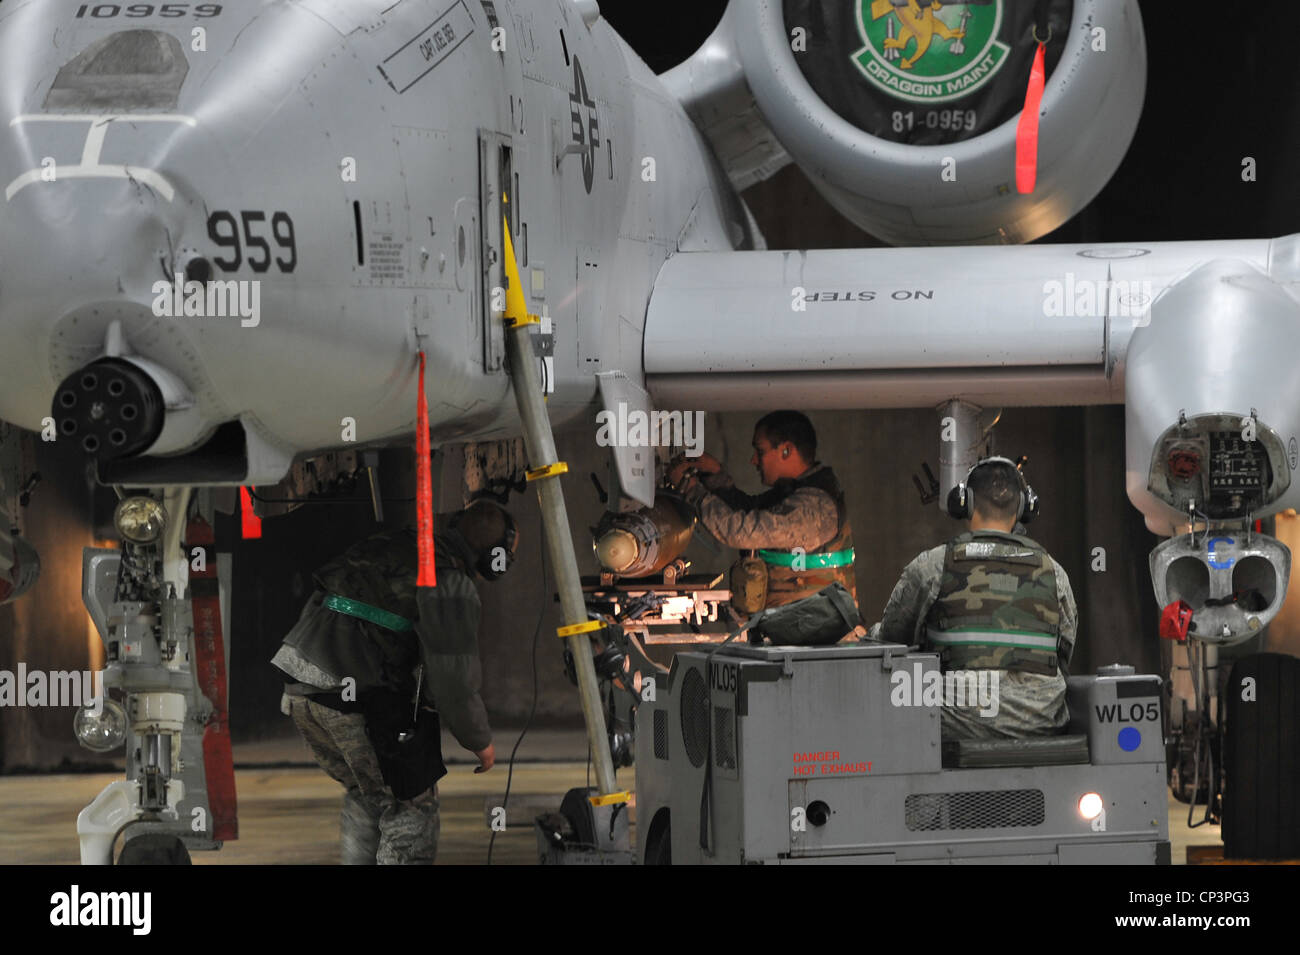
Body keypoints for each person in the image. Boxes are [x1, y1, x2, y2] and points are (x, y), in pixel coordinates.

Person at [270, 498, 516, 864]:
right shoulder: (448, 581)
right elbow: (453, 678)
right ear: (493, 556)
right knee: (411, 805)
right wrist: (478, 739)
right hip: (348, 694)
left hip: (299, 684)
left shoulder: (401, 543)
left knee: (367, 793)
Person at [872, 457, 1077, 739]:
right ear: (1023, 507)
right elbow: (1064, 653)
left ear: (964, 503)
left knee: (893, 689)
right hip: (1040, 721)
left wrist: (867, 634)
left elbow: (891, 642)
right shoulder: (1055, 573)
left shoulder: (933, 565)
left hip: (957, 722)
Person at [667, 410, 855, 609]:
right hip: (801, 624)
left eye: (760, 451)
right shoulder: (800, 491)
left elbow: (741, 530)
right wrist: (715, 477)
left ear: (786, 450)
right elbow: (752, 511)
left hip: (812, 631)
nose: (754, 460)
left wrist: (690, 489)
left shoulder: (813, 508)